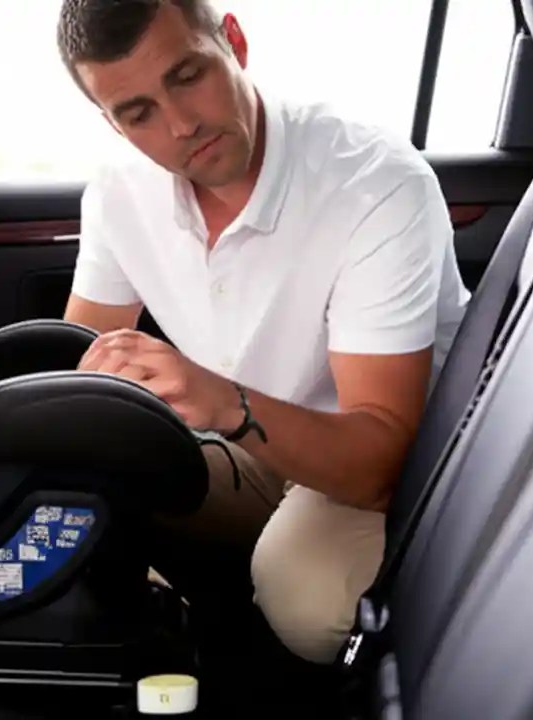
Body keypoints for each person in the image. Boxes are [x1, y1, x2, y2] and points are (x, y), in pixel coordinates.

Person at [57, 0, 471, 667]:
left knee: (306, 594)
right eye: (138, 113)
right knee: (72, 524)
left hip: (385, 463)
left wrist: (222, 401)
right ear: (112, 123)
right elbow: (71, 363)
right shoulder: (117, 191)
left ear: (234, 41)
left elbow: (377, 463)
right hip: (244, 446)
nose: (181, 124)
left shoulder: (375, 186)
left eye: (188, 75)